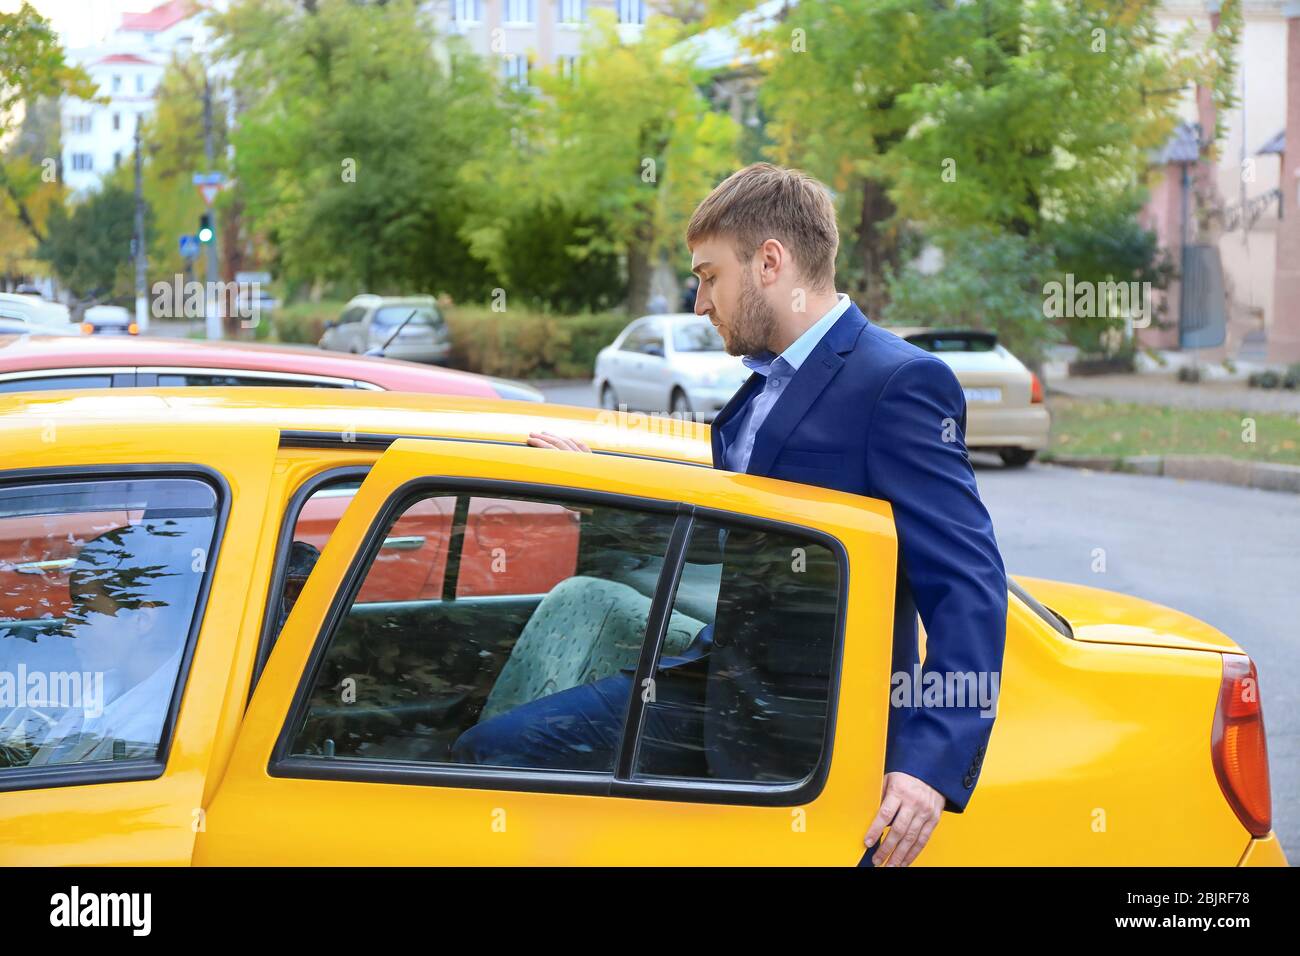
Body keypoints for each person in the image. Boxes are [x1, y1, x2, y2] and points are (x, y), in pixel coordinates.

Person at [519, 163, 1008, 867]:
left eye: (709, 276)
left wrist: (929, 763)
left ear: (770, 262)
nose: (699, 303)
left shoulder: (897, 383)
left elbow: (967, 583)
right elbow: (743, 522)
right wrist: (597, 482)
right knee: (497, 750)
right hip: (715, 687)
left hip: (806, 742)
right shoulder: (765, 383)